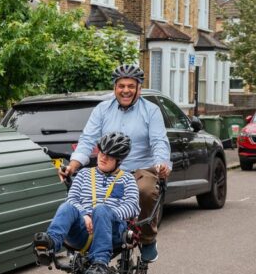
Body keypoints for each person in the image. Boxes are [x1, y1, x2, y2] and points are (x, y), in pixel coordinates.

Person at [57, 64, 171, 263]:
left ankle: (147, 238)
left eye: (130, 86)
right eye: (121, 86)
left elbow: (159, 141)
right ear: (115, 88)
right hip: (108, 169)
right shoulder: (102, 109)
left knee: (145, 191)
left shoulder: (151, 111)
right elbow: (87, 139)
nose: (125, 90)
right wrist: (73, 165)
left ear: (139, 89)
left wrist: (161, 164)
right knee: (88, 196)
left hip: (140, 169)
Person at [33, 132, 138, 274]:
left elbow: (132, 206)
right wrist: (84, 214)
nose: (103, 157)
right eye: (102, 152)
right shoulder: (83, 174)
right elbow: (73, 198)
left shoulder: (127, 179)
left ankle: (100, 263)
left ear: (119, 160)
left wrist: (102, 215)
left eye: (110, 155)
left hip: (112, 232)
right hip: (83, 230)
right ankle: (50, 245)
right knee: (67, 206)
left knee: (101, 210)